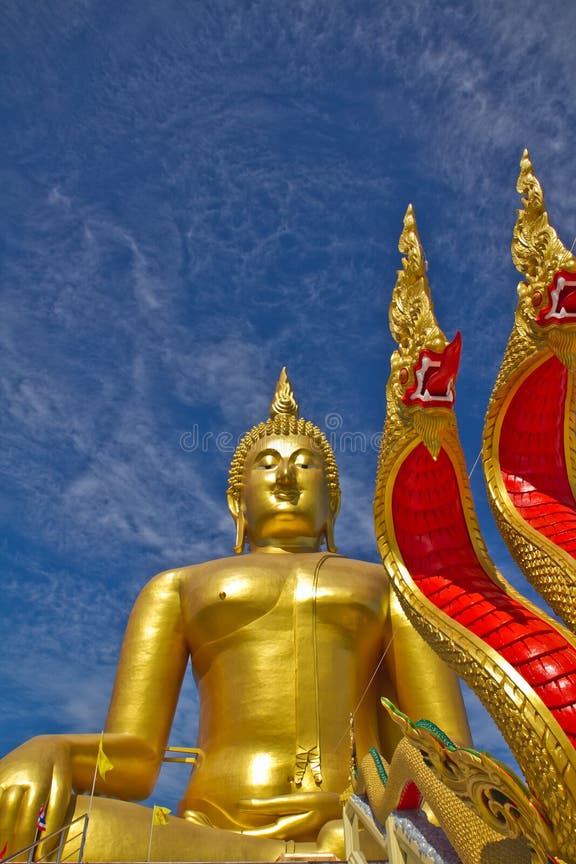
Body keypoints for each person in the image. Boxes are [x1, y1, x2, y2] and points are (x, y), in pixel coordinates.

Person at [0, 369, 471, 861]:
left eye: (304, 465)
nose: (285, 477)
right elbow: (136, 759)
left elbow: (447, 754)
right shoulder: (177, 587)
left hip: (357, 831)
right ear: (236, 503)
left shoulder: (391, 587)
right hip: (209, 840)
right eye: (267, 463)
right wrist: (50, 749)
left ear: (332, 505)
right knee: (53, 822)